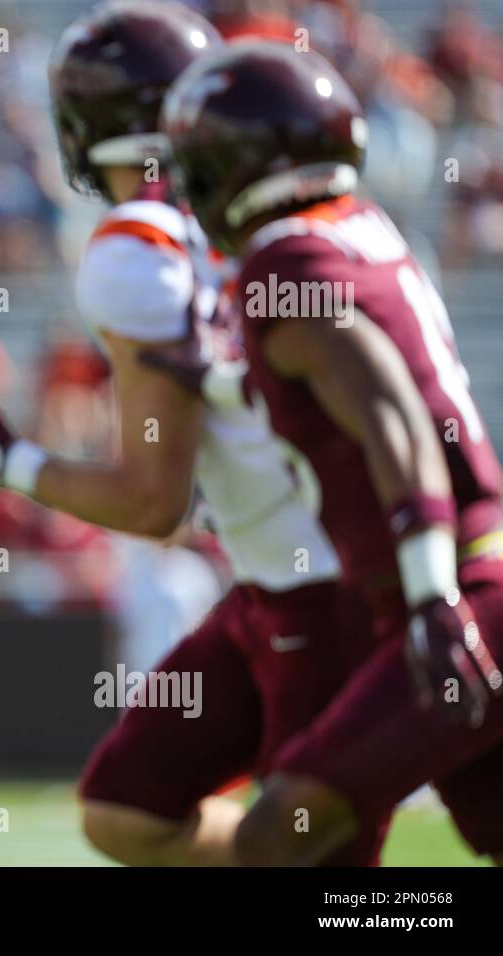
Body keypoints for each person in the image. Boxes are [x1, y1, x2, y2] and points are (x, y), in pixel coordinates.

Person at [0, 1, 381, 865]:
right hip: (287, 567)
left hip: (325, 587)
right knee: (126, 808)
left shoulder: (134, 250)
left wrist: (11, 463)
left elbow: (154, 501)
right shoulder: (254, 215)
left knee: (322, 871)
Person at [158, 40, 503, 864]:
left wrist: (429, 598)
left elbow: (390, 412)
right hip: (473, 575)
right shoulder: (356, 231)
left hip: (457, 588)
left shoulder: (284, 260)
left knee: (279, 838)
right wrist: (222, 380)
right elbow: (336, 383)